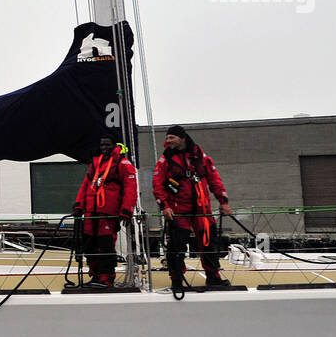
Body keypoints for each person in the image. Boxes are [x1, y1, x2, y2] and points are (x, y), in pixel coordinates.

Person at [153, 124, 233, 289]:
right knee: (176, 247)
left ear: (182, 138)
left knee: (208, 244)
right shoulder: (166, 159)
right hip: (178, 211)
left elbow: (214, 180)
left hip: (202, 211)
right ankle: (176, 281)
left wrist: (223, 201)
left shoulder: (200, 156)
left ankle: (213, 277)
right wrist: (164, 206)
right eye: (167, 138)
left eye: (171, 137)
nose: (168, 141)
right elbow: (158, 184)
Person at [70, 136, 138, 289]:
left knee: (105, 246)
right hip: (90, 212)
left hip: (108, 213)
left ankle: (106, 279)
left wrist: (127, 211)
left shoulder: (123, 164)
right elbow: (86, 184)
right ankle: (95, 276)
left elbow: (130, 189)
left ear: (114, 145)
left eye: (107, 144)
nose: (104, 147)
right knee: (89, 245)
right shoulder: (96, 163)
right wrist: (79, 205)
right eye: (102, 144)